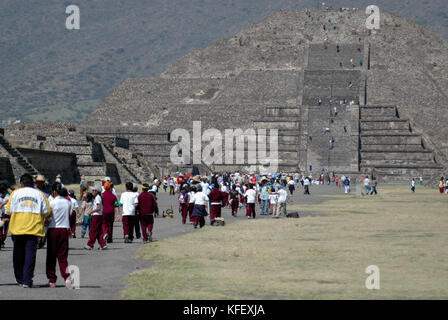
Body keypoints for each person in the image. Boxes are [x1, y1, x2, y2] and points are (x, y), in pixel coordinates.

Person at [4, 173, 51, 287]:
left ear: (21, 183)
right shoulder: (40, 194)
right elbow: (46, 211)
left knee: (18, 255)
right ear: (33, 183)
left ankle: (19, 278)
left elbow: (8, 210)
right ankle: (27, 280)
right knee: (30, 255)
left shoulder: (15, 193)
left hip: (17, 228)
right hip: (33, 229)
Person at [46, 183, 72, 288]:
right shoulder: (68, 202)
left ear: (54, 191)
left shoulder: (51, 202)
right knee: (63, 255)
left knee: (51, 256)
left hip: (53, 229)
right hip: (64, 229)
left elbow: (48, 217)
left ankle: (52, 279)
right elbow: (69, 215)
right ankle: (67, 277)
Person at [0, 180, 11, 249]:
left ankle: (2, 239)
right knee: (0, 228)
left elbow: (9, 203)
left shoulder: (9, 194)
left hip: (6, 213)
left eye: (4, 185)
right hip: (0, 214)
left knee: (5, 228)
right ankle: (1, 240)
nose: (2, 187)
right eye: (1, 185)